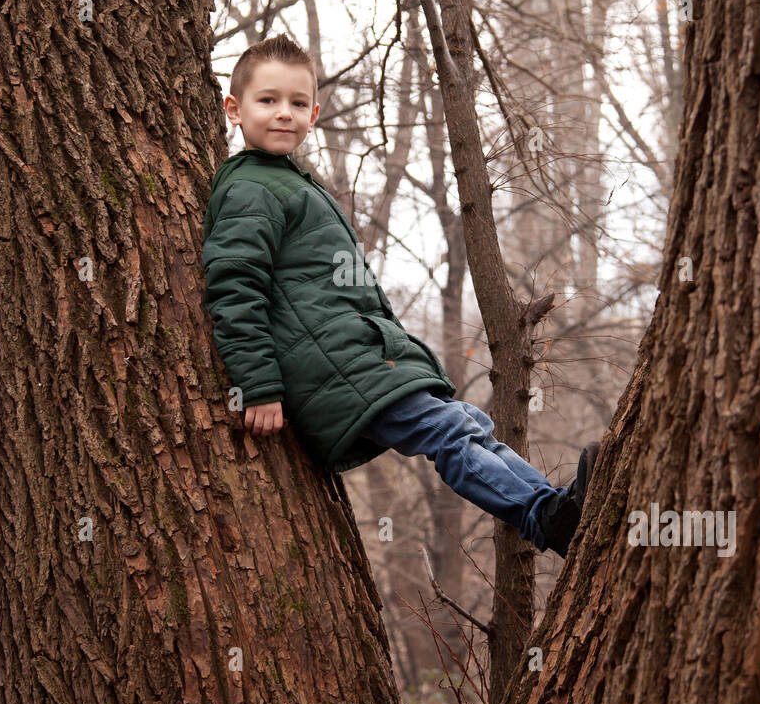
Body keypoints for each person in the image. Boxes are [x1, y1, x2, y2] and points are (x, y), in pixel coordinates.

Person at [202, 33, 600, 559]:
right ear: (234, 109)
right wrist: (257, 385)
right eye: (268, 100)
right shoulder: (251, 187)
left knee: (465, 425)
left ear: (314, 113)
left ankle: (551, 509)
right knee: (449, 432)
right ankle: (547, 519)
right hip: (331, 370)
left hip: (359, 357)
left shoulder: (291, 182)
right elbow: (235, 286)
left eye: (298, 103)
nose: (284, 114)